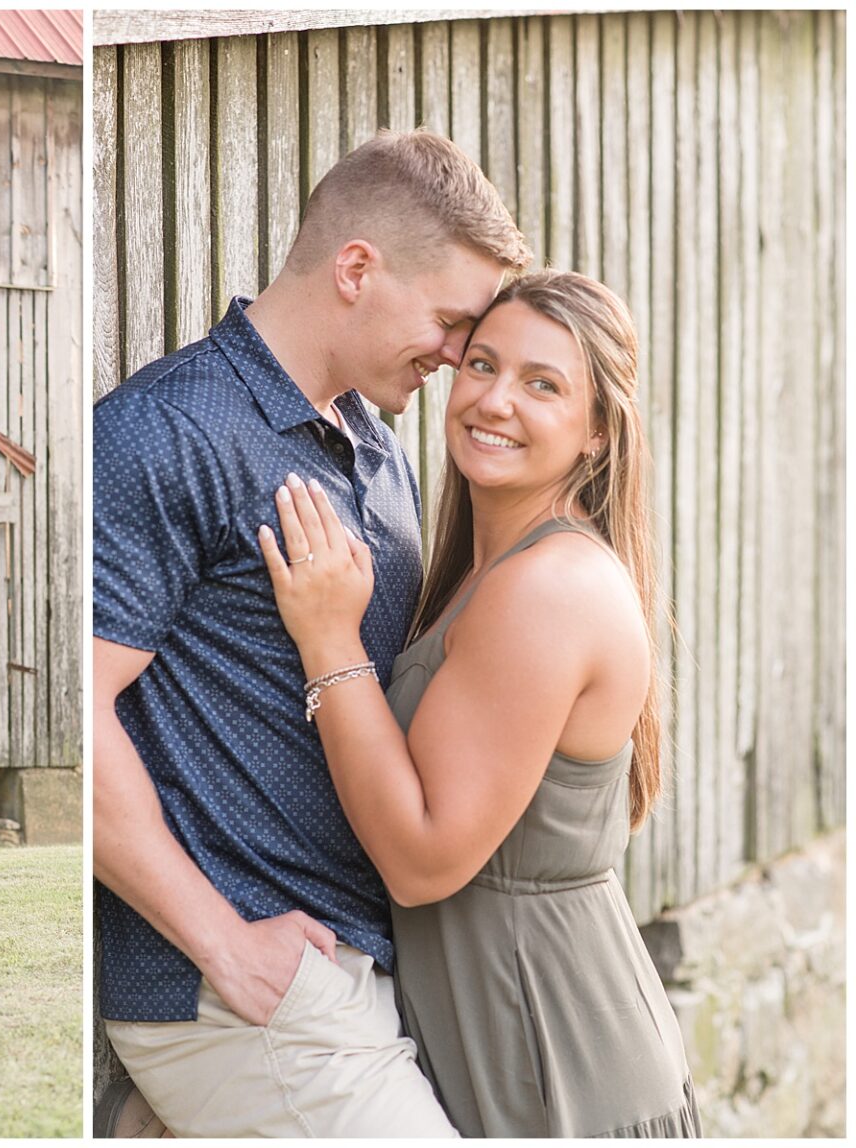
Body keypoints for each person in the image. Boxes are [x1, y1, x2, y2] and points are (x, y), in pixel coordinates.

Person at [93, 129, 530, 1138]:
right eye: (452, 320)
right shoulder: (163, 432)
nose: (462, 355)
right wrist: (225, 944)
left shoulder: (376, 449)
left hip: (354, 974)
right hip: (242, 987)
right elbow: (82, 702)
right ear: (356, 268)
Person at [259, 270, 699, 1136]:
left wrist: (330, 641)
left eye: (543, 384)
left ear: (598, 435)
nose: (496, 400)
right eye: (483, 365)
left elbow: (423, 860)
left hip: (561, 1076)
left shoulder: (549, 589)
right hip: (506, 1053)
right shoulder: (488, 574)